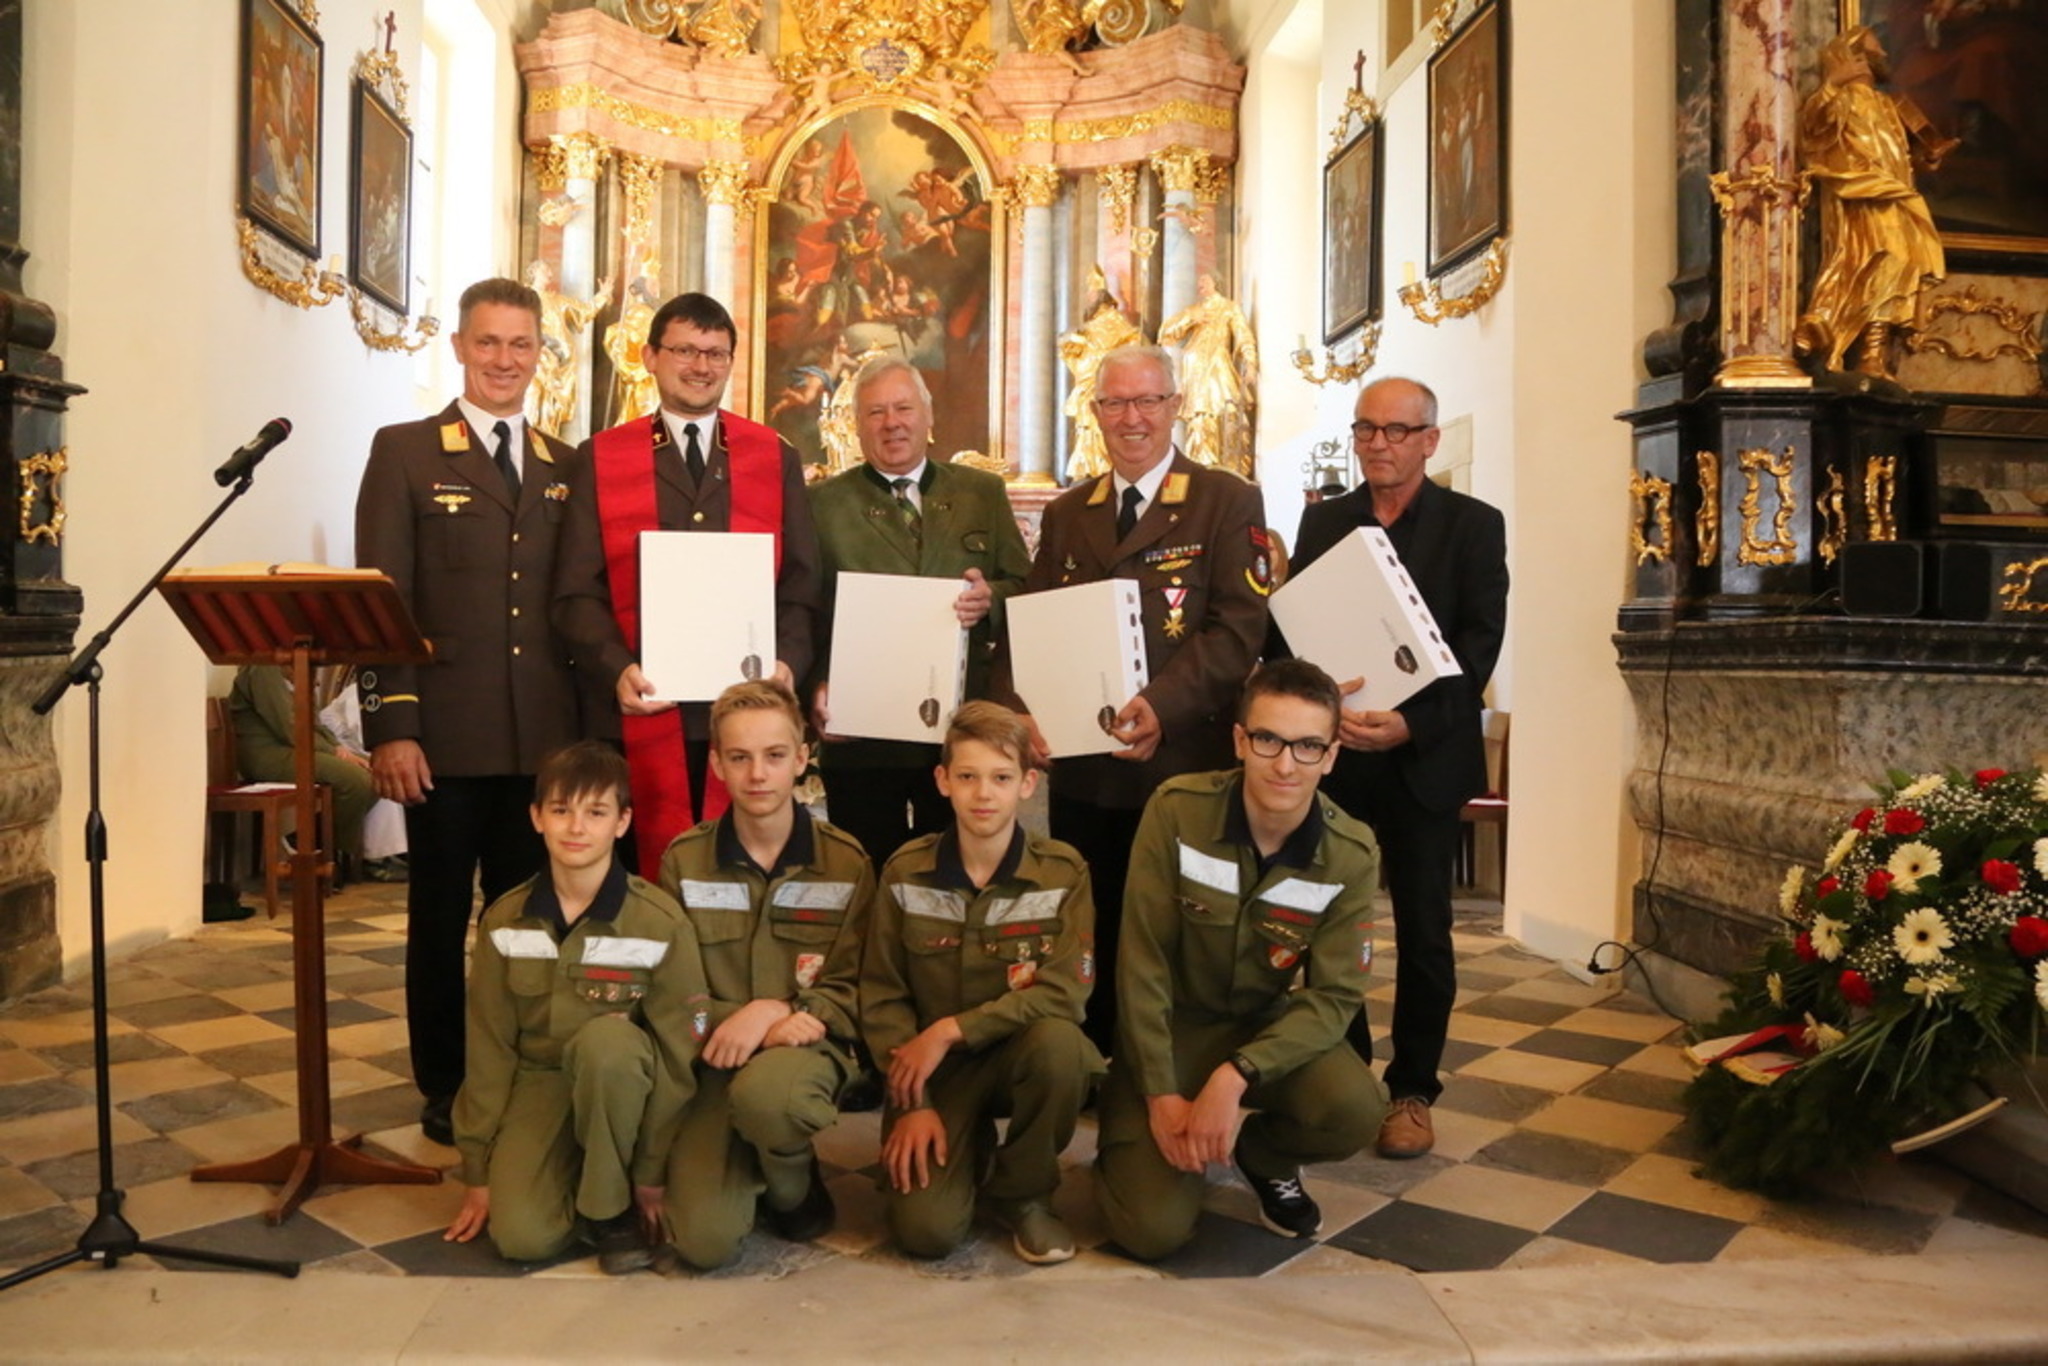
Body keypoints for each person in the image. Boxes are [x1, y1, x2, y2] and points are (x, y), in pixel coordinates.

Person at [994, 343, 1270, 1055]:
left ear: (1176, 406)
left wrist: (1162, 706)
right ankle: (1099, 1060)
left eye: (1148, 400)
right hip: (1087, 769)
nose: (1132, 417)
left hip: (1178, 763)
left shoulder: (1224, 500)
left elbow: (1239, 628)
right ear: (1095, 413)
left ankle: (1173, 1063)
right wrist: (1023, 710)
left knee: (1180, 922)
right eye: (1115, 402)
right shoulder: (1066, 514)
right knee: (1096, 917)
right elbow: (1034, 626)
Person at [356, 276, 581, 1146]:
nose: (504, 360)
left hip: (541, 743)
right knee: (440, 916)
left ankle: (522, 1065)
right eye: (488, 342)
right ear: (458, 346)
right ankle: (446, 1081)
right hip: (444, 737)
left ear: (537, 355)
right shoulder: (407, 451)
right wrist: (393, 727)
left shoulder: (566, 466)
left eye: (520, 345)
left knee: (528, 919)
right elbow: (386, 600)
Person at [1281, 377, 1508, 1160]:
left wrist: (1407, 723)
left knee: (1424, 931)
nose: (1379, 444)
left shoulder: (1473, 527)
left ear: (1430, 441)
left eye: (1398, 431)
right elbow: (1295, 633)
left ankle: (1413, 1090)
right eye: (1367, 430)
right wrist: (1324, 713)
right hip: (1338, 756)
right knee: (1326, 924)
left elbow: (1479, 648)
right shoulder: (1323, 523)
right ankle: (1345, 1068)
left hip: (1425, 759)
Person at [1095, 659, 1387, 1260]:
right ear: (1240, 740)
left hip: (1260, 1028)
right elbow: (1140, 960)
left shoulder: (1350, 853)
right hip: (1168, 1033)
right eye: (1268, 740)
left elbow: (1334, 998)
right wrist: (1159, 1093)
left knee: (1357, 1109)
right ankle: (1131, 1148)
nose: (1285, 764)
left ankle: (1263, 1154)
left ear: (1332, 755)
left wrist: (1236, 1076)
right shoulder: (1176, 810)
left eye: (1308, 746)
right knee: (1150, 1232)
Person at [552, 291, 824, 874]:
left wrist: (788, 665)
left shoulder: (773, 456)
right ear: (650, 357)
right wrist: (615, 668)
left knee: (742, 873)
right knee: (633, 880)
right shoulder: (600, 457)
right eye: (685, 351)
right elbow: (576, 591)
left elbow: (801, 584)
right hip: (637, 707)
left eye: (716, 353)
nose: (701, 366)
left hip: (743, 715)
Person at [443, 742, 707, 1274]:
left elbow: (680, 1057)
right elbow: (489, 1044)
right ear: (537, 817)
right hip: (541, 1082)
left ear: (623, 821)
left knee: (606, 1043)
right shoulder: (505, 920)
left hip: (626, 1086)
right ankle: (579, 1179)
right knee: (522, 1238)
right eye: (561, 810)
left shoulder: (659, 921)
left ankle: (610, 1210)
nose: (576, 827)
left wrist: (653, 1170)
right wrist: (479, 1169)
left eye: (596, 811)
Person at [861, 702, 1102, 1265]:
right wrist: (914, 1101)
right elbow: (881, 995)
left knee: (1063, 1048)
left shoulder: (1064, 872)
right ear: (943, 781)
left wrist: (951, 1028)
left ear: (1028, 784)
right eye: (967, 777)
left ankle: (1026, 1195)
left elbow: (1065, 991)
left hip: (1017, 1056)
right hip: (930, 1073)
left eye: (1001, 777)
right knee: (927, 1235)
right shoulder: (904, 872)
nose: (983, 794)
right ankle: (967, 1153)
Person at [654, 681, 872, 1269]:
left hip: (807, 1048)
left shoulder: (847, 861)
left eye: (775, 756)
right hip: (714, 1059)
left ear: (803, 758)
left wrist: (781, 1012)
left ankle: (793, 1185)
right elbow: (673, 991)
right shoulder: (684, 859)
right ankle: (747, 1159)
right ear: (718, 763)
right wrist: (741, 1018)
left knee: (770, 1099)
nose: (758, 774)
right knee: (703, 1243)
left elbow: (855, 984)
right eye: (740, 757)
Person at [807, 355, 1032, 872]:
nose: (892, 423)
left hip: (960, 739)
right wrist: (816, 685)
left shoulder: (982, 493)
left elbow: (1024, 586)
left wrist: (990, 599)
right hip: (862, 736)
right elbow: (804, 609)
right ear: (856, 425)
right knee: (861, 874)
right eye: (876, 412)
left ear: (928, 418)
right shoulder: (821, 504)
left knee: (956, 873)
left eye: (904, 408)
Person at [1795, 25, 1947, 380]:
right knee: (1867, 260)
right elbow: (1813, 130)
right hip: (1859, 192)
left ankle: (1871, 354)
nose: (1883, 57)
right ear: (1849, 59)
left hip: (1894, 194)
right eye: (1871, 53)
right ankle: (1823, 323)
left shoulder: (1890, 104)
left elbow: (1902, 153)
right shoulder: (1839, 98)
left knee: (1902, 263)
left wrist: (1928, 159)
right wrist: (1832, 84)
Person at [226, 664, 376, 874]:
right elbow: (288, 727)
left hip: (295, 747)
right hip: (268, 754)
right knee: (357, 780)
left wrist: (337, 746)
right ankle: (328, 854)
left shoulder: (294, 664)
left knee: (377, 773)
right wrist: (335, 753)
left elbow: (315, 724)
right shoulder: (262, 667)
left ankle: (308, 840)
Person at [1157, 274, 1259, 478]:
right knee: (1199, 418)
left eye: (1204, 280)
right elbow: (1164, 334)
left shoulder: (1229, 308)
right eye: (1199, 281)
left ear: (1216, 282)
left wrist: (1250, 361)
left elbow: (1243, 335)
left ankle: (1230, 467)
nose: (1199, 284)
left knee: (1228, 411)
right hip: (1195, 374)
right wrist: (1190, 319)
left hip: (1217, 367)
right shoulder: (1195, 310)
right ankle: (1201, 470)